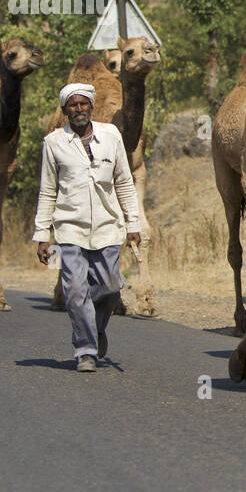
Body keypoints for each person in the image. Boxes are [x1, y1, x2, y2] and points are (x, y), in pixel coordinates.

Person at [34, 83, 141, 373]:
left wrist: (133, 223)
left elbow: (123, 182)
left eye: (83, 104)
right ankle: (85, 350)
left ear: (91, 107)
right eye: (72, 105)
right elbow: (47, 191)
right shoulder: (54, 142)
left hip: (108, 227)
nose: (79, 109)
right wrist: (43, 234)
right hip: (69, 228)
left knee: (109, 288)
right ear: (65, 110)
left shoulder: (111, 135)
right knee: (74, 291)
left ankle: (92, 328)